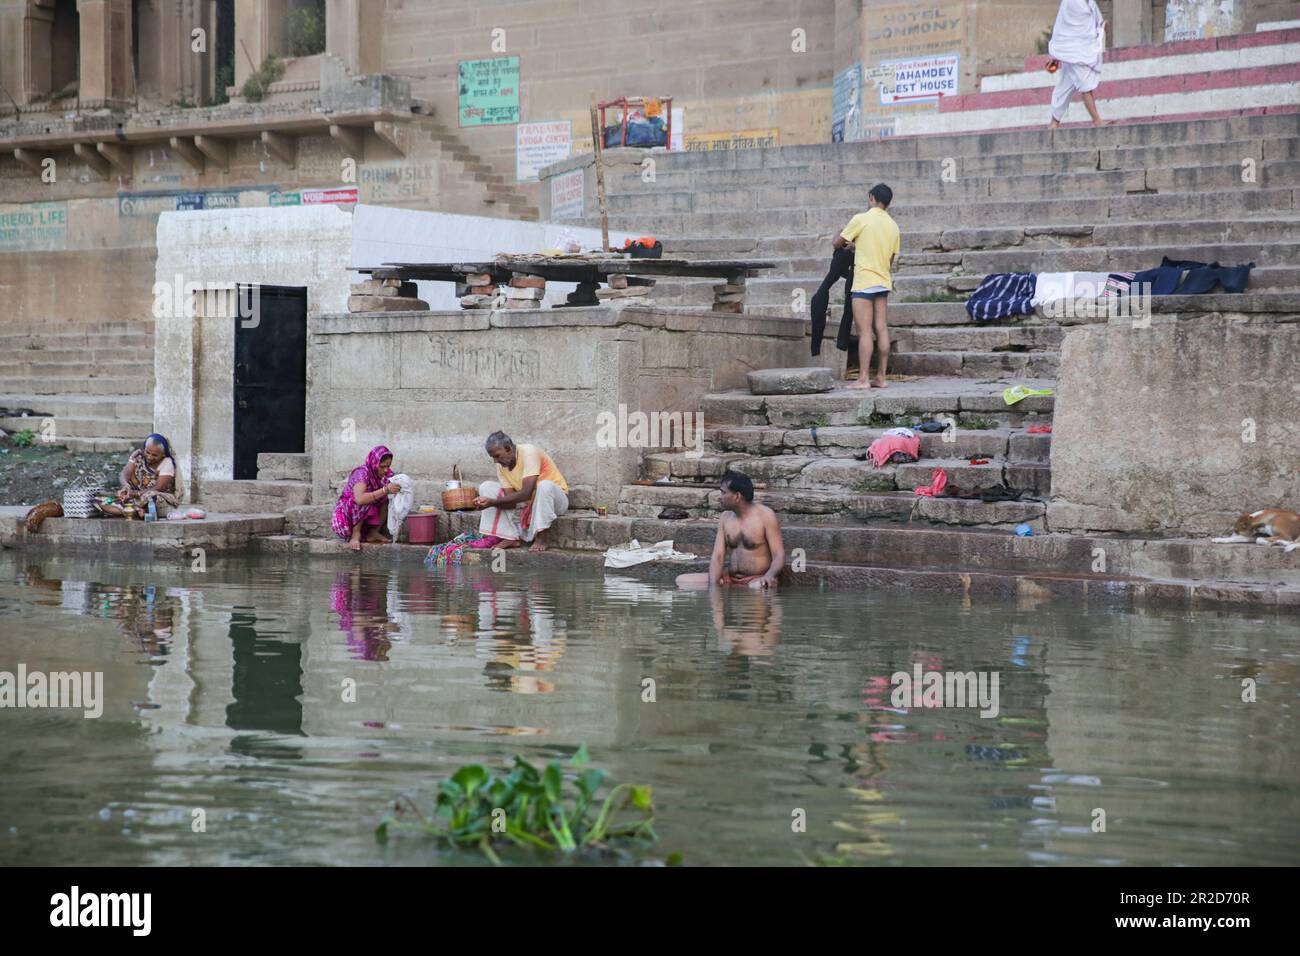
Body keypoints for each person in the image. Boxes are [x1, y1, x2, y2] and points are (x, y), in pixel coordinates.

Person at [833, 183, 900, 390]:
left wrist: (844, 239)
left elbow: (837, 243)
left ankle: (862, 379)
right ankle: (881, 377)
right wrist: (858, 245)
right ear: (887, 203)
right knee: (881, 328)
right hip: (883, 280)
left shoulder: (861, 218)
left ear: (872, 198)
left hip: (864, 281)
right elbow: (889, 260)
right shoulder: (893, 226)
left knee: (864, 331)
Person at [676, 470, 788, 589]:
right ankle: (734, 588)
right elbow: (718, 556)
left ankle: (742, 589)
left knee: (756, 587)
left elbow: (779, 555)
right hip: (729, 578)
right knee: (682, 580)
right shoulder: (725, 517)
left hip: (757, 578)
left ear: (737, 496)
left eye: (723, 492)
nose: (720, 497)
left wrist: (769, 576)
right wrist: (714, 588)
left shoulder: (766, 515)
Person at [472, 431, 570, 552]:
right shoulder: (501, 466)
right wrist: (487, 503)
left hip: (556, 501)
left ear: (508, 448)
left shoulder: (529, 452)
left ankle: (542, 537)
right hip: (528, 503)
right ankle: (509, 536)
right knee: (486, 487)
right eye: (493, 458)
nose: (495, 461)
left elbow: (526, 492)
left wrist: (492, 502)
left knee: (544, 486)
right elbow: (511, 502)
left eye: (497, 456)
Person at [1047, 0, 1107, 128]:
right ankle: (1097, 120)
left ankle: (1054, 123)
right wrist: (1057, 54)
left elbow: (1093, 19)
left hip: (1079, 51)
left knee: (1065, 86)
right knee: (1085, 86)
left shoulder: (1089, 2)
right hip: (1073, 51)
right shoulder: (1071, 2)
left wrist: (1100, 27)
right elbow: (1064, 27)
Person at [332, 445, 401, 551]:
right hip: (346, 517)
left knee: (386, 499)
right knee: (366, 497)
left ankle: (373, 532)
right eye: (382, 466)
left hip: (365, 516)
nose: (385, 470)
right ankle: (356, 535)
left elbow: (394, 484)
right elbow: (359, 499)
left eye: (388, 466)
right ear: (374, 463)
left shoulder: (387, 474)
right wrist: (385, 490)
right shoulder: (362, 473)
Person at [96, 433, 182, 518]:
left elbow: (159, 488)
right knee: (100, 500)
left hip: (159, 501)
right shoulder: (138, 455)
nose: (150, 457)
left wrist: (135, 493)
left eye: (155, 455)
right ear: (144, 449)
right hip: (136, 499)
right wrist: (126, 486)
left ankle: (129, 510)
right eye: (147, 452)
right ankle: (135, 511)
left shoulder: (167, 462)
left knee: (151, 497)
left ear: (163, 454)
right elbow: (124, 473)